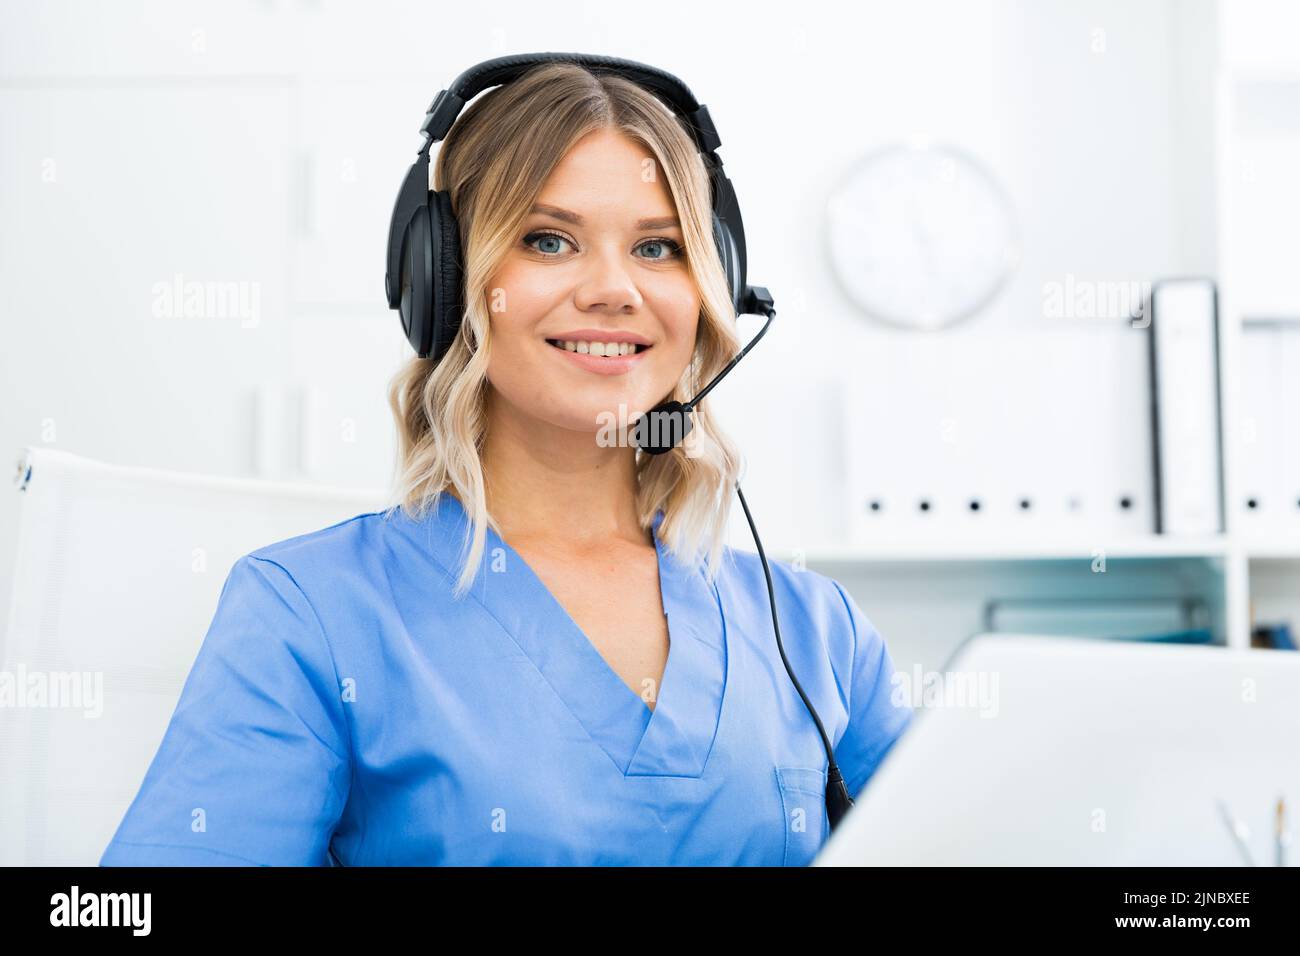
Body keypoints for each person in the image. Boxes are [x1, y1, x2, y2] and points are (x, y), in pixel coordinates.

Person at [99, 60, 912, 867]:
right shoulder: (309, 614)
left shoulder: (816, 630)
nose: (614, 289)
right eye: (548, 240)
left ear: (711, 286)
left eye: (658, 247)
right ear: (445, 280)